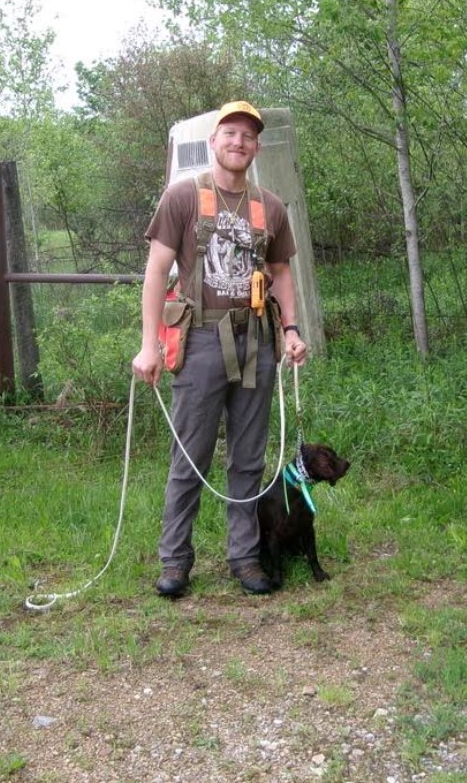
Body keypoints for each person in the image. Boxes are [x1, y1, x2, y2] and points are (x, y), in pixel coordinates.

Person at [132, 101, 309, 597]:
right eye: (230, 133)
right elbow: (154, 273)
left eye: (248, 136)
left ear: (256, 147)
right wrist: (149, 345)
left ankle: (245, 557)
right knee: (190, 456)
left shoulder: (270, 207)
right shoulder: (182, 198)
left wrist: (290, 330)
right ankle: (175, 561)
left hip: (256, 341)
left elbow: (281, 274)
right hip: (202, 341)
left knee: (249, 458)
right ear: (214, 141)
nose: (239, 142)